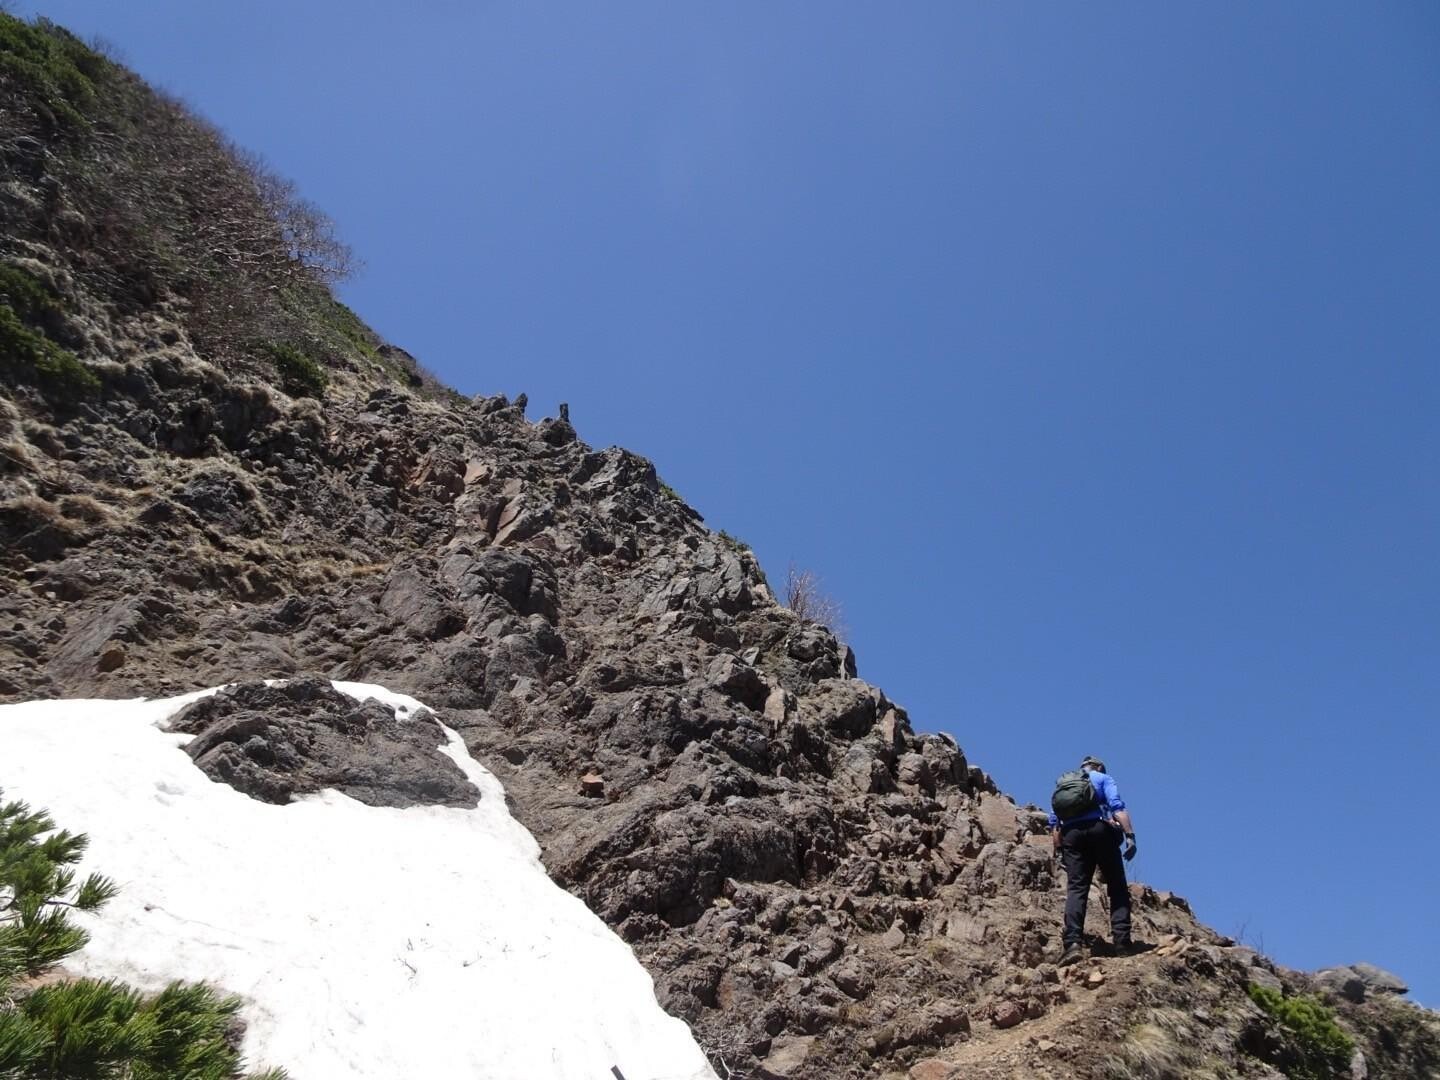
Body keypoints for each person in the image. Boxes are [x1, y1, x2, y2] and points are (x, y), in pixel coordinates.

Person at [1049, 755, 1139, 966]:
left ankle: (1072, 944)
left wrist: (1059, 850)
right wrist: (1130, 836)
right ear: (1098, 767)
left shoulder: (1065, 785)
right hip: (1099, 830)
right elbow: (1117, 807)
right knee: (1116, 886)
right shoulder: (1102, 778)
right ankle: (1122, 942)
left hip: (1071, 835)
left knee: (1077, 890)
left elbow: (1054, 823)